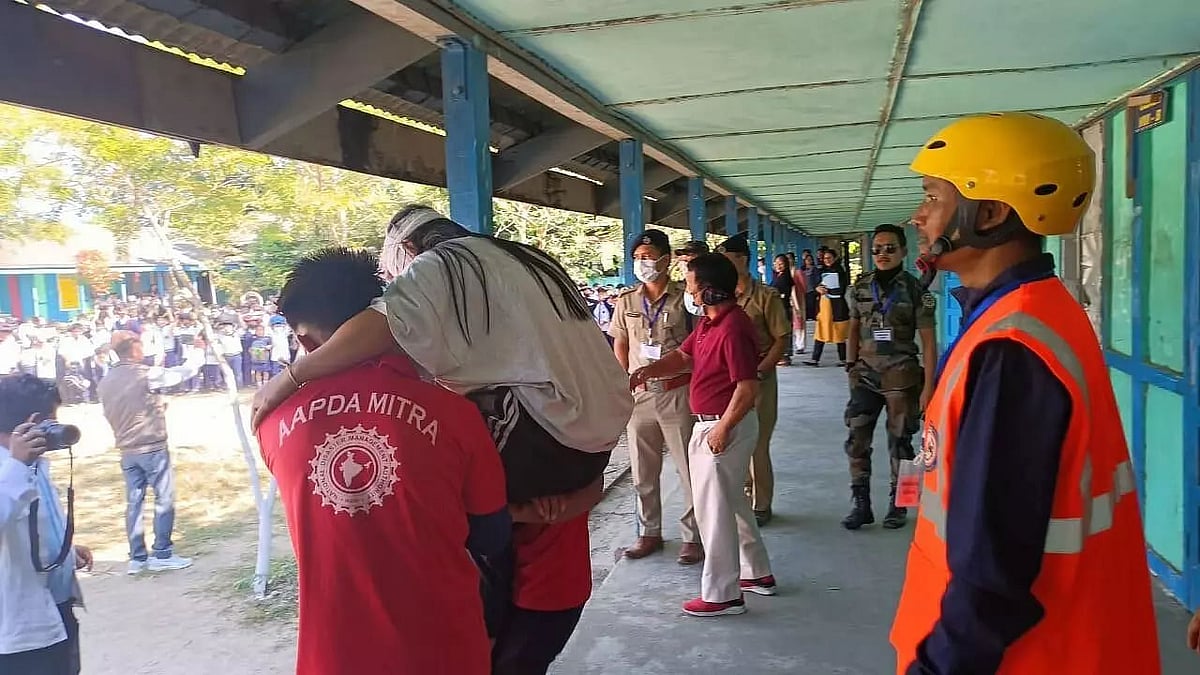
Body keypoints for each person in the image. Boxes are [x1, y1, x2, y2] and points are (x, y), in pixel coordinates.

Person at [251, 205, 631, 674]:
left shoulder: (445, 266)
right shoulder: (520, 259)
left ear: (408, 251)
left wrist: (287, 381)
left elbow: (382, 326)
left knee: (474, 529)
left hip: (345, 649)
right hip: (591, 437)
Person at [891, 112, 1160, 673]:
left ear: (987, 214)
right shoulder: (1037, 312)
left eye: (933, 197)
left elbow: (993, 569)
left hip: (1024, 659)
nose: (918, 216)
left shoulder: (1012, 349)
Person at [257, 248, 510, 675]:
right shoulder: (454, 413)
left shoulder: (273, 421)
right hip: (446, 651)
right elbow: (490, 537)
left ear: (304, 340)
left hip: (333, 658)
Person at [629, 253, 773, 617]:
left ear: (709, 291)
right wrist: (648, 372)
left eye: (691, 286)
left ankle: (723, 593)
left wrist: (723, 428)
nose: (687, 291)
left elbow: (747, 387)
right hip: (709, 423)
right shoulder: (709, 324)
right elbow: (682, 356)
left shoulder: (734, 327)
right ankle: (756, 574)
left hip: (723, 425)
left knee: (714, 512)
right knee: (733, 505)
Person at [609, 230, 701, 564]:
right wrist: (623, 380)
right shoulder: (627, 300)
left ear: (665, 259)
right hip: (640, 396)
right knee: (642, 469)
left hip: (677, 392)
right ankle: (649, 533)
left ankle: (694, 535)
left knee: (688, 468)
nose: (643, 263)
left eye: (649, 256)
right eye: (638, 257)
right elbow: (620, 342)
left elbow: (697, 346)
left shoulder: (686, 300)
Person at [841, 224, 937, 531]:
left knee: (901, 444)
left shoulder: (915, 290)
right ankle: (861, 503)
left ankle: (901, 504)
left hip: (902, 376)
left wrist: (929, 388)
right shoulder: (860, 286)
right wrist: (851, 363)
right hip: (865, 375)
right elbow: (853, 327)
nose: (883, 254)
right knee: (857, 439)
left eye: (890, 248)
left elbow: (929, 342)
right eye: (877, 249)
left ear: (903, 251)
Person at [0, 374, 92, 674]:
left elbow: (35, 521)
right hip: (21, 633)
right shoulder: (12, 467)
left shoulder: (34, 462)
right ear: (32, 422)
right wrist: (15, 467)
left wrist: (63, 550)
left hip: (57, 609)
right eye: (51, 421)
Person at [97, 331, 200, 574]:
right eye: (140, 346)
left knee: (134, 502)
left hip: (126, 448)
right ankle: (162, 553)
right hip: (151, 446)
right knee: (164, 499)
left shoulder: (106, 381)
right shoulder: (145, 375)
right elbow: (182, 374)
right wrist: (197, 352)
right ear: (133, 349)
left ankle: (137, 557)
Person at [715, 233, 789, 526]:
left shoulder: (765, 296)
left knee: (757, 443)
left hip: (759, 379)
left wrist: (760, 371)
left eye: (728, 260)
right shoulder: (721, 296)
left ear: (743, 261)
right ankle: (741, 498)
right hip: (729, 381)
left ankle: (762, 504)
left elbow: (780, 340)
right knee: (734, 440)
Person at [804, 248, 850, 366]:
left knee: (839, 331)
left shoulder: (841, 271)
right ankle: (815, 359)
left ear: (835, 258)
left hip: (838, 305)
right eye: (825, 258)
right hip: (824, 305)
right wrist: (817, 288)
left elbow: (842, 289)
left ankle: (843, 359)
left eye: (829, 258)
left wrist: (829, 290)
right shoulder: (820, 271)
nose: (827, 260)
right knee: (821, 330)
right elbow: (814, 286)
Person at [769, 254, 798, 366]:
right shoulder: (777, 276)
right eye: (776, 263)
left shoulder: (785, 278)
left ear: (786, 264)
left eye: (781, 264)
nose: (778, 266)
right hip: (778, 307)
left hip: (783, 307)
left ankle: (785, 355)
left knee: (783, 331)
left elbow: (783, 294)